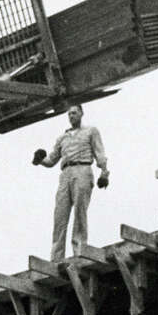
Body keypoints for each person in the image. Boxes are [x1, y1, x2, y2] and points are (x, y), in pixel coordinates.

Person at [33, 103, 109, 262]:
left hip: (82, 169)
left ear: (81, 114)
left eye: (74, 113)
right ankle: (56, 257)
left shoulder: (90, 131)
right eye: (69, 114)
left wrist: (104, 172)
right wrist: (40, 160)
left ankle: (79, 250)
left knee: (80, 211)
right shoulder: (63, 137)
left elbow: (99, 152)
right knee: (60, 214)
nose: (71, 116)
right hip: (65, 173)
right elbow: (52, 160)